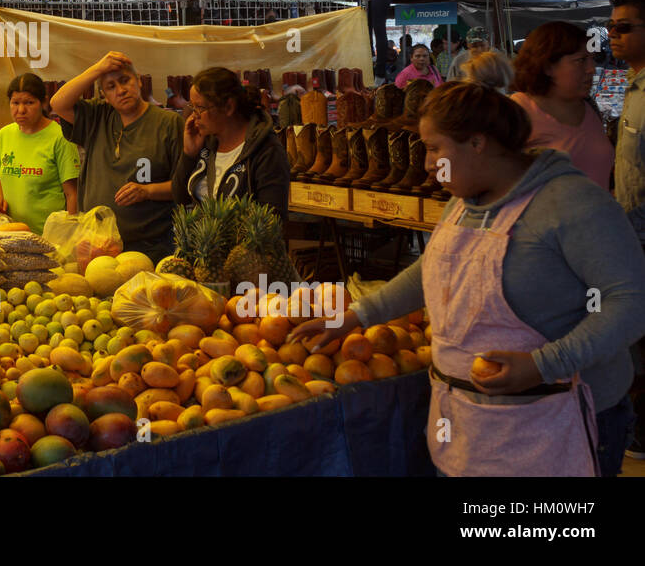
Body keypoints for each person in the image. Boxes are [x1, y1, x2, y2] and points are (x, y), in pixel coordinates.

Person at [289, 82, 645, 477]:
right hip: (468, 425)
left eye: (434, 148)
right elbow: (432, 271)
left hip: (560, 422)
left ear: (477, 143)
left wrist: (544, 365)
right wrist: (355, 317)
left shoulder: (572, 203)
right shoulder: (464, 202)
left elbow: (630, 303)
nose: (426, 163)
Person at [50, 51, 181, 261]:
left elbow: (183, 187)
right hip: (95, 246)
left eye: (125, 81)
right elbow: (58, 103)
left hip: (148, 248)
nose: (121, 90)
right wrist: (98, 68)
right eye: (111, 87)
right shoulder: (97, 116)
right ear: (104, 96)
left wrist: (147, 191)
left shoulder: (169, 123)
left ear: (138, 81)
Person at [171, 67, 289, 218]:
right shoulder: (205, 143)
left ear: (228, 107)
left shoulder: (267, 151)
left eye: (200, 107)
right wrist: (189, 154)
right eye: (192, 107)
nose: (194, 116)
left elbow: (272, 221)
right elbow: (179, 198)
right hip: (203, 241)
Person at [608, 0, 645, 459]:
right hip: (630, 233)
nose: (613, 35)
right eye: (612, 26)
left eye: (624, 28)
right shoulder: (632, 85)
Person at [510, 21, 612, 190]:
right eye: (581, 60)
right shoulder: (518, 112)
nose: (591, 69)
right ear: (548, 66)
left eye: (591, 59)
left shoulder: (589, 108)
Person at [0, 73, 80, 234]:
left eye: (29, 102)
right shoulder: (4, 135)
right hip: (10, 234)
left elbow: (72, 194)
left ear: (43, 102)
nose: (21, 110)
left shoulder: (60, 137)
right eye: (15, 103)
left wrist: (70, 233)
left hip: (49, 237)